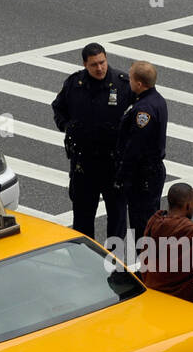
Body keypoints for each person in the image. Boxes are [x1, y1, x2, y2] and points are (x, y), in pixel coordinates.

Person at [51, 43, 133, 242]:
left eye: (102, 62)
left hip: (113, 164)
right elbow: (58, 107)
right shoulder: (74, 84)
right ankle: (86, 263)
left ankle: (114, 264)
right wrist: (68, 127)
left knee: (117, 219)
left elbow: (140, 110)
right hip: (84, 164)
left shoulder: (123, 84)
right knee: (82, 219)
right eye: (94, 64)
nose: (99, 68)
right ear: (85, 64)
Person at [115, 61, 167, 242]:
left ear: (138, 84)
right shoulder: (157, 99)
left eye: (130, 78)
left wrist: (122, 176)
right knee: (150, 220)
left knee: (142, 225)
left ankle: (146, 266)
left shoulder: (143, 110)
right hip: (151, 172)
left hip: (143, 176)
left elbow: (135, 147)